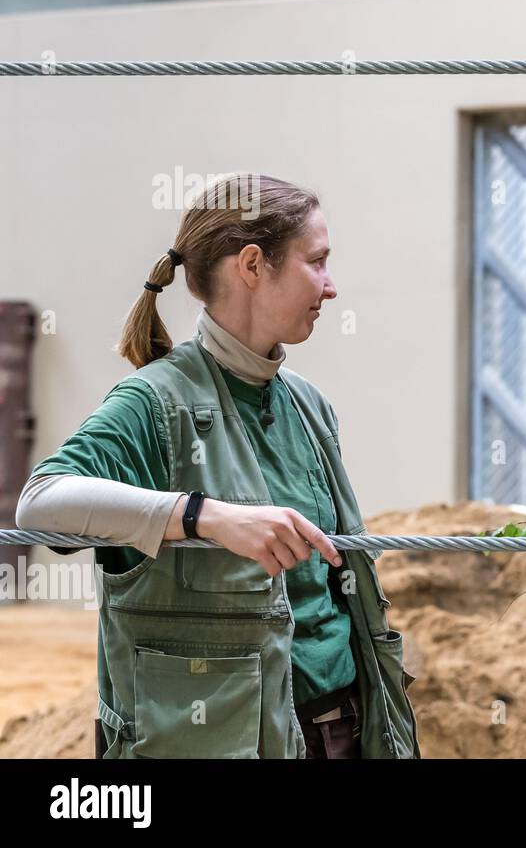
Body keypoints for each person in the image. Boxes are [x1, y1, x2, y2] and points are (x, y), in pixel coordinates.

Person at [15, 172, 420, 759]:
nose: (331, 287)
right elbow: (40, 500)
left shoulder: (308, 405)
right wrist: (204, 516)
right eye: (317, 261)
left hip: (345, 729)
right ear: (253, 265)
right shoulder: (155, 403)